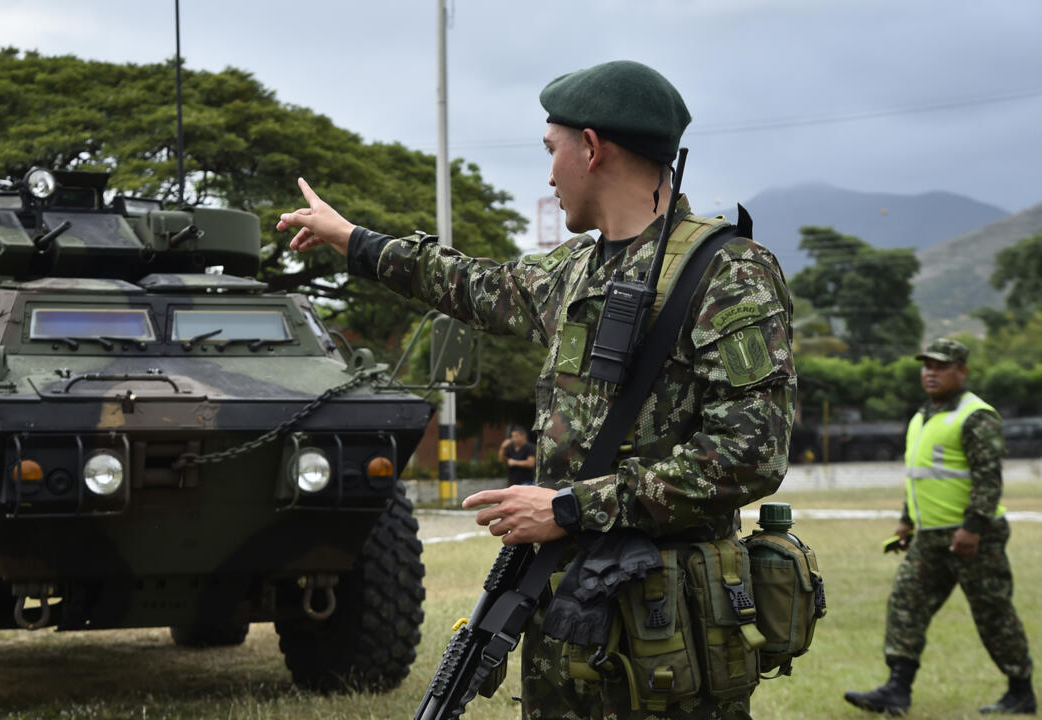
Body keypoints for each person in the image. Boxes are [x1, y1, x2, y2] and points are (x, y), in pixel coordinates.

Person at [278, 59, 795, 719]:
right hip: (566, 611)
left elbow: (754, 453)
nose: (549, 175)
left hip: (665, 628)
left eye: (552, 152)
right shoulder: (575, 271)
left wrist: (573, 510)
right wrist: (351, 240)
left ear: (590, 147)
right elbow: (466, 282)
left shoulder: (728, 273)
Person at [845, 338, 1035, 716]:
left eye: (941, 366)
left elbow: (988, 478)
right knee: (906, 604)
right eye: (927, 366)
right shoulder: (921, 418)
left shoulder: (977, 416)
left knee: (993, 613)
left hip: (973, 535)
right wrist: (906, 519)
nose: (931, 373)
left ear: (962, 371)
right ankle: (897, 690)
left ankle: (1021, 691)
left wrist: (973, 527)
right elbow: (920, 479)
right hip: (929, 536)